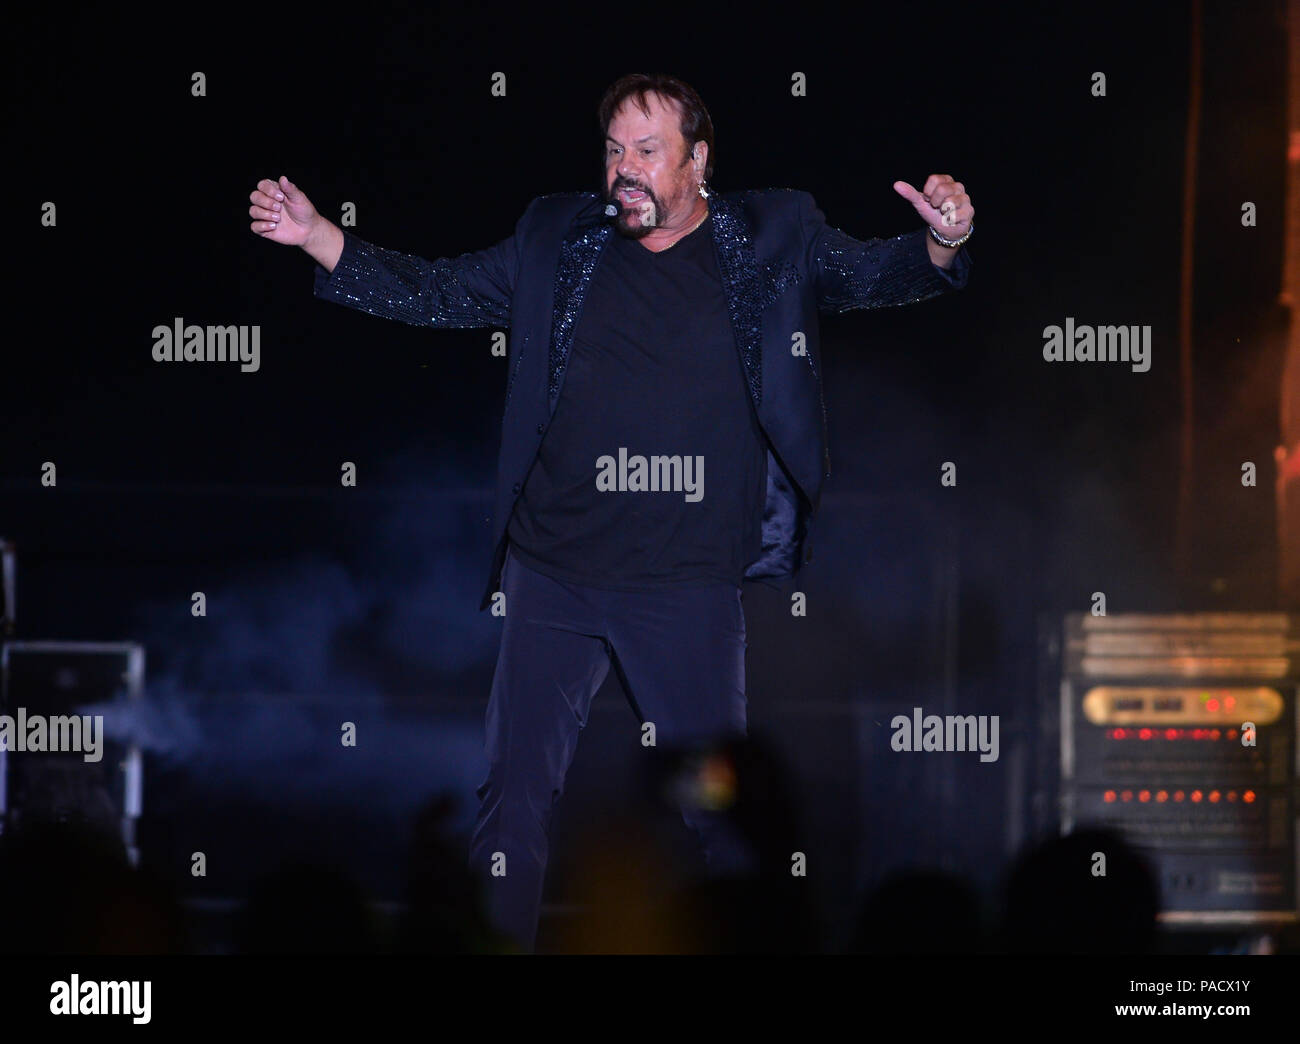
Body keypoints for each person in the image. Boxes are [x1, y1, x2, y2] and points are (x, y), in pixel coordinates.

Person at [247, 72, 973, 951]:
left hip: (684, 585)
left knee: (714, 804)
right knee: (512, 795)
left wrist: (941, 243)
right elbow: (441, 293)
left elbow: (870, 275)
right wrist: (323, 237)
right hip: (554, 573)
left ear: (699, 161)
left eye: (648, 151)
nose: (625, 171)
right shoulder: (558, 235)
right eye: (613, 151)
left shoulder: (773, 233)